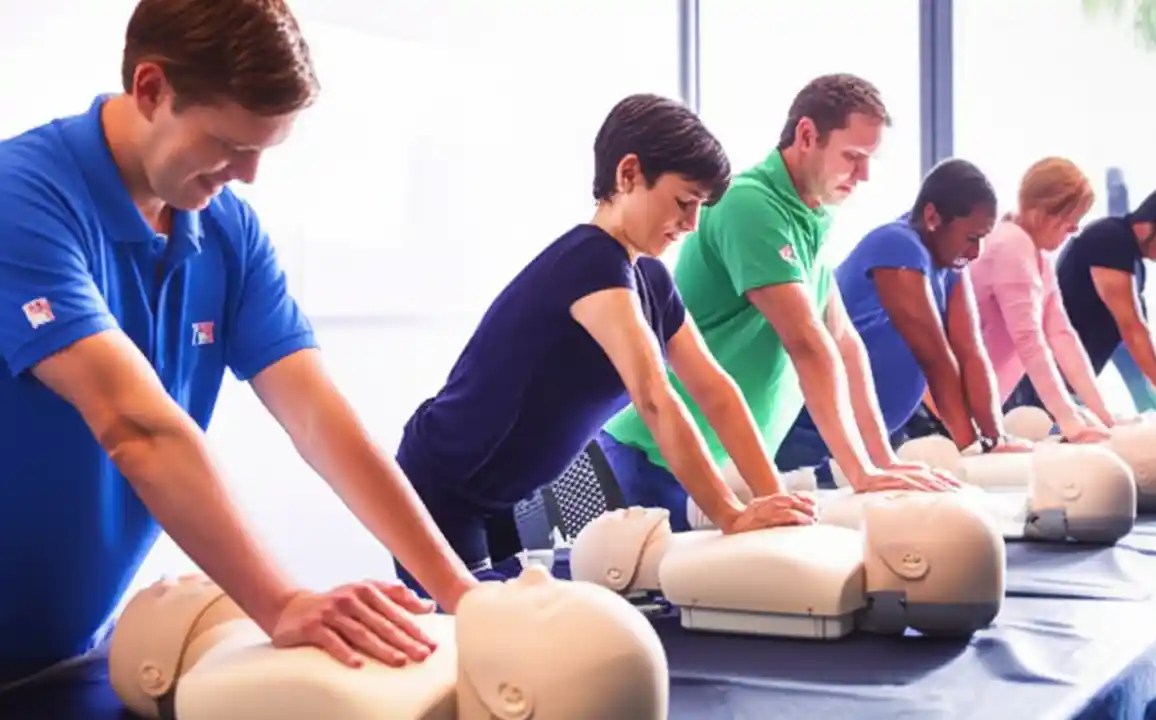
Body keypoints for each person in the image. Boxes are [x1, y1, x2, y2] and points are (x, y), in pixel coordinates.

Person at [0, 0, 480, 690]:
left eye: (265, 149)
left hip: (66, 650)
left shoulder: (224, 229)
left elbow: (318, 417)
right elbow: (136, 427)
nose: (250, 174)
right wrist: (280, 601)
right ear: (151, 89)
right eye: (231, 144)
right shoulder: (20, 197)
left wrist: (459, 594)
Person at [392, 93, 816, 590]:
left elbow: (714, 391)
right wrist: (729, 514)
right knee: (486, 642)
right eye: (684, 202)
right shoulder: (591, 262)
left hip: (506, 497)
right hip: (443, 490)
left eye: (701, 207)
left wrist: (771, 501)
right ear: (629, 174)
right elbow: (656, 399)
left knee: (527, 639)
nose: (693, 223)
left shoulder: (652, 281)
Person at [600, 74, 958, 526]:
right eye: (852, 157)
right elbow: (806, 343)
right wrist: (859, 473)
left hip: (718, 465)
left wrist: (880, 461)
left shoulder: (809, 219)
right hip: (657, 460)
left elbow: (842, 342)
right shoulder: (751, 205)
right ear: (807, 135)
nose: (864, 175)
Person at [775, 159, 1033, 482]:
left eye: (983, 238)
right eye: (971, 237)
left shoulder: (950, 266)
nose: (977, 251)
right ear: (932, 217)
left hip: (872, 438)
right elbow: (936, 358)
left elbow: (970, 353)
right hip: (812, 434)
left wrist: (996, 439)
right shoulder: (897, 245)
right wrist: (970, 450)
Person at [1018, 183, 1156, 415]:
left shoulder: (1133, 263)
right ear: (1151, 226)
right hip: (1036, 388)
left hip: (1061, 390)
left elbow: (1136, 338)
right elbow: (1133, 330)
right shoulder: (1110, 240)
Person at [967, 157, 1116, 442]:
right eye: (1071, 222)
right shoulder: (1010, 247)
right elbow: (1029, 341)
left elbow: (1062, 336)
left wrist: (1104, 416)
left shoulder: (1037, 254)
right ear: (1043, 214)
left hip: (977, 401)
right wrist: (1070, 422)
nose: (1073, 231)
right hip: (946, 406)